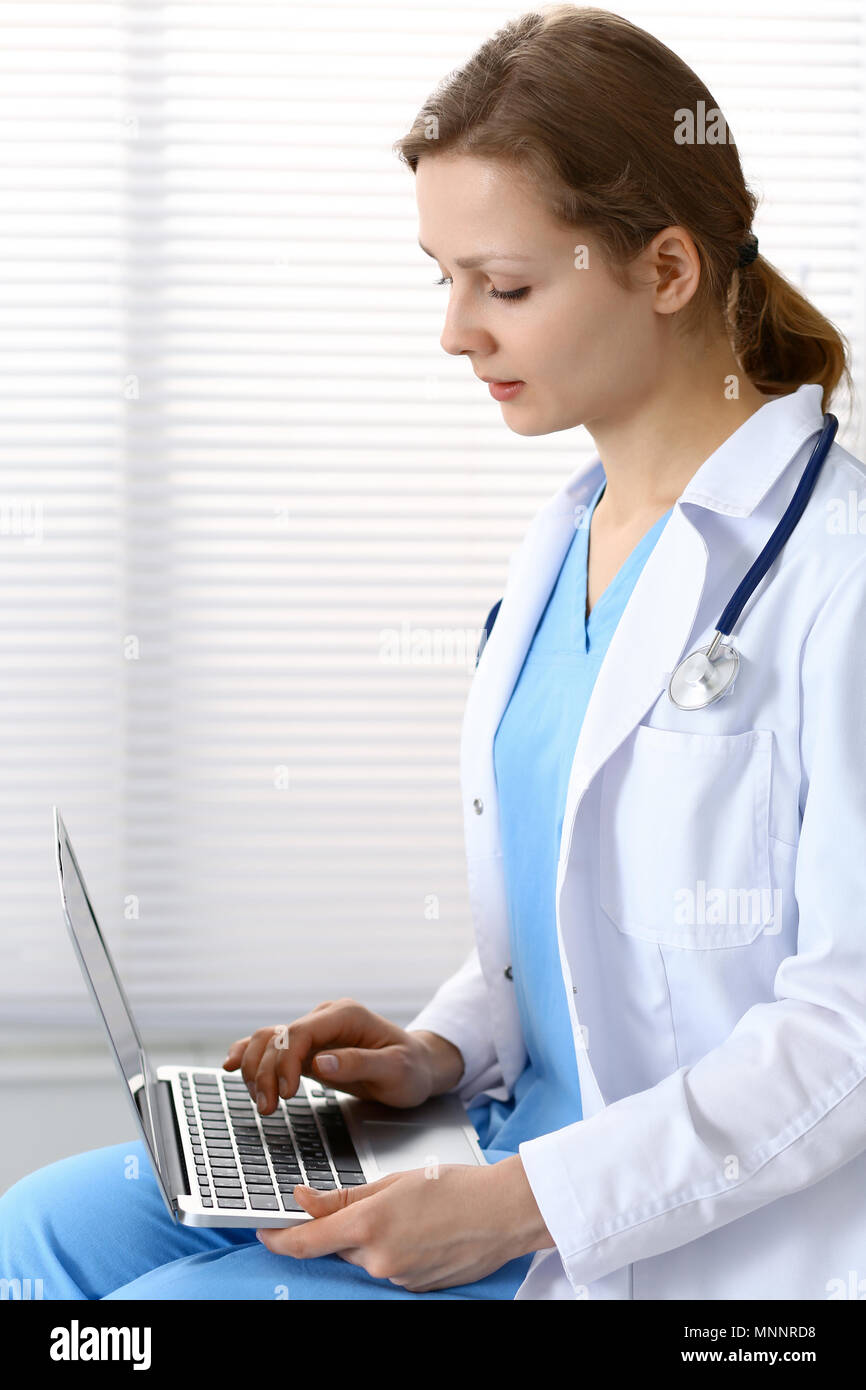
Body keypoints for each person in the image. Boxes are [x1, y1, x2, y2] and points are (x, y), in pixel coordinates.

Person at [2, 5, 863, 1300]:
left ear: (668, 269)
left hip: (641, 1233)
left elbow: (842, 1037)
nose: (454, 331)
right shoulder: (566, 538)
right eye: (442, 277)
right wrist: (438, 1052)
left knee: (145, 1324)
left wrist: (515, 1206)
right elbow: (580, 915)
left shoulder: (832, 578)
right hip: (488, 1144)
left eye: (503, 286)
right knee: (40, 1232)